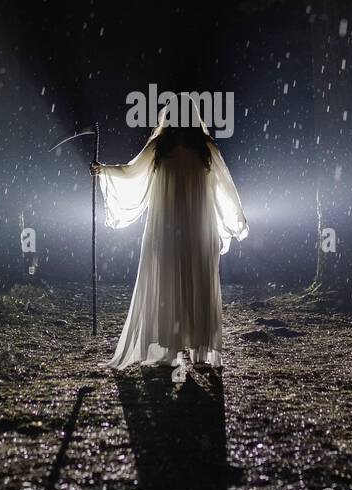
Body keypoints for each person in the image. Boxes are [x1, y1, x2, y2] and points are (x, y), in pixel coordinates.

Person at [92, 108, 249, 369]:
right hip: (182, 227)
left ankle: (180, 343)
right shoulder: (196, 147)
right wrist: (105, 171)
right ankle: (185, 343)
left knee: (179, 279)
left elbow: (223, 185)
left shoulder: (174, 147)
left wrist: (106, 170)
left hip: (185, 227)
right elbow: (133, 172)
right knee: (188, 279)